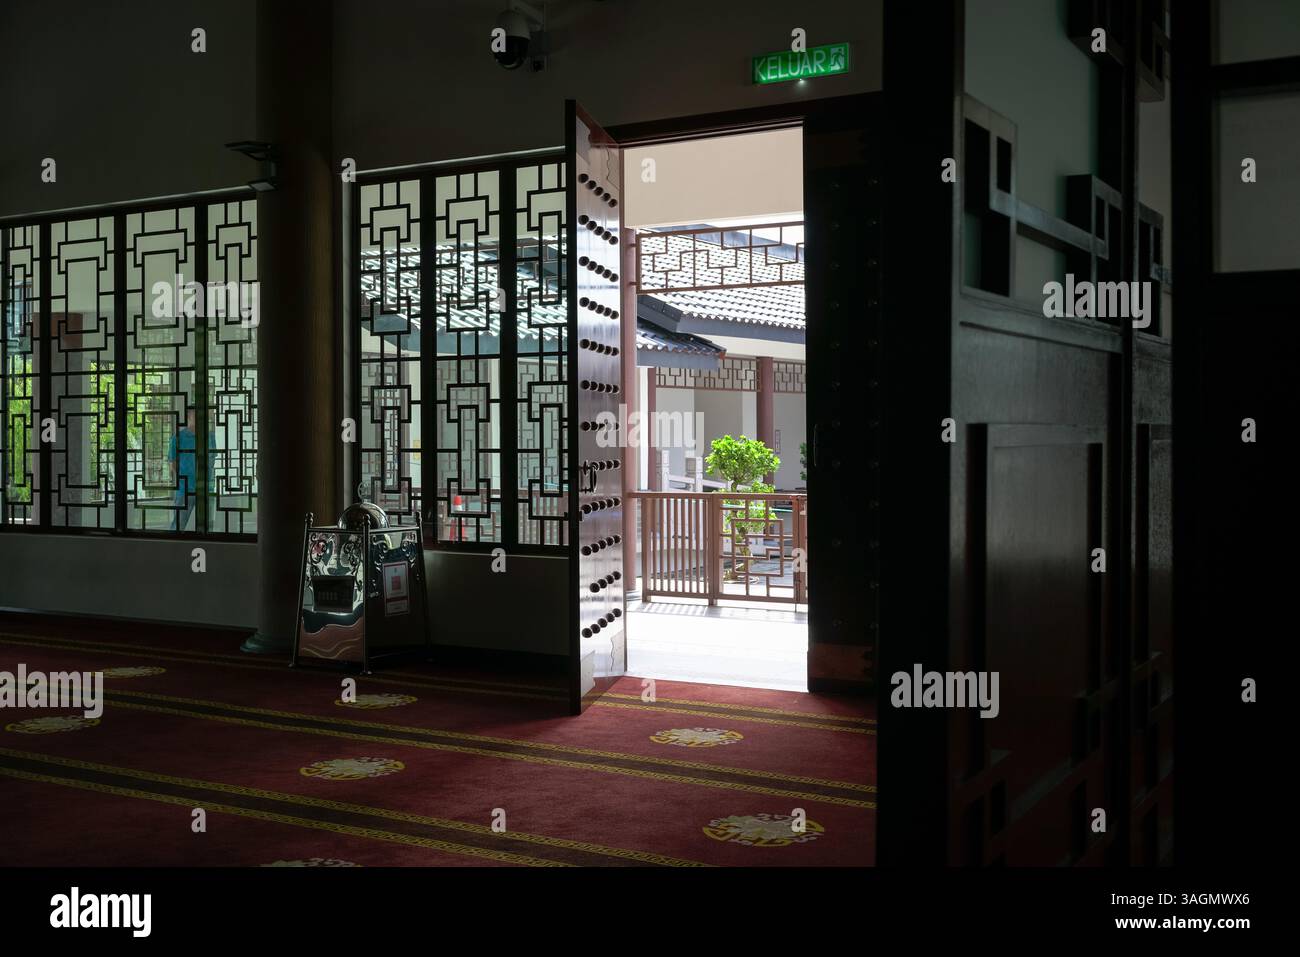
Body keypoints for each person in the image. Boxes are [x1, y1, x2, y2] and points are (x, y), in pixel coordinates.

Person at [168, 408, 216, 532]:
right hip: (185, 490)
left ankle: (204, 549)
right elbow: (173, 463)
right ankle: (174, 549)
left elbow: (212, 459)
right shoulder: (178, 438)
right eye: (196, 414)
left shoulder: (209, 436)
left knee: (207, 528)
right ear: (188, 415)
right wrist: (185, 478)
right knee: (178, 526)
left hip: (205, 488)